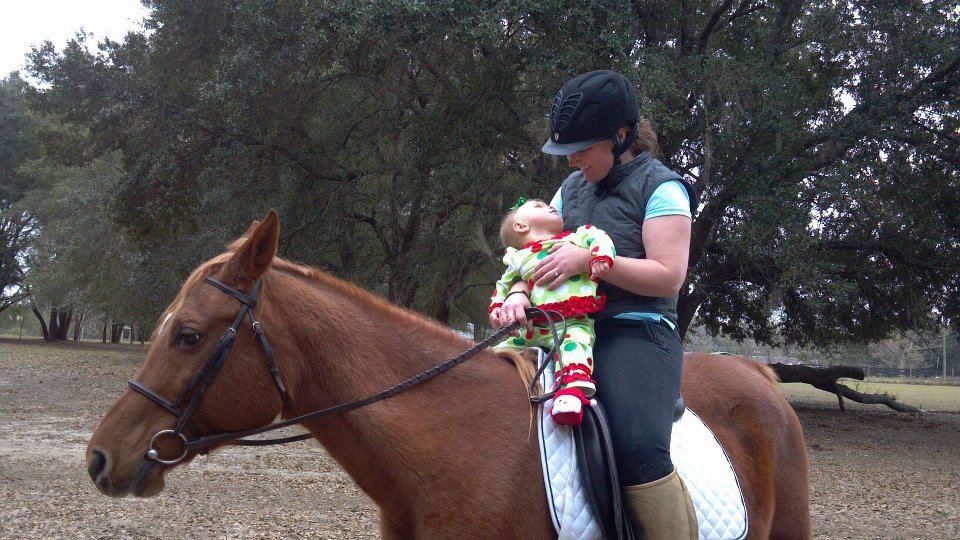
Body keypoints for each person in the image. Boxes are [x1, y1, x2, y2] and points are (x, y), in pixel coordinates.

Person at [490, 70, 698, 539]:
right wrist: (521, 291)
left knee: (639, 448)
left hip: (636, 328)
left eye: (582, 148)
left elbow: (669, 275)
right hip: (560, 327)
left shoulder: (662, 188)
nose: (571, 161)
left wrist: (591, 261)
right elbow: (537, 256)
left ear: (621, 137)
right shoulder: (572, 190)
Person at [489, 198, 615, 425]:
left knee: (575, 346)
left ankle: (570, 395)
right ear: (520, 226)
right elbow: (504, 284)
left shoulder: (575, 238)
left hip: (571, 320)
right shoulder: (517, 259)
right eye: (538, 206)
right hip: (531, 327)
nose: (550, 206)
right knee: (495, 355)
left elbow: (599, 237)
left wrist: (598, 256)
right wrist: (499, 306)